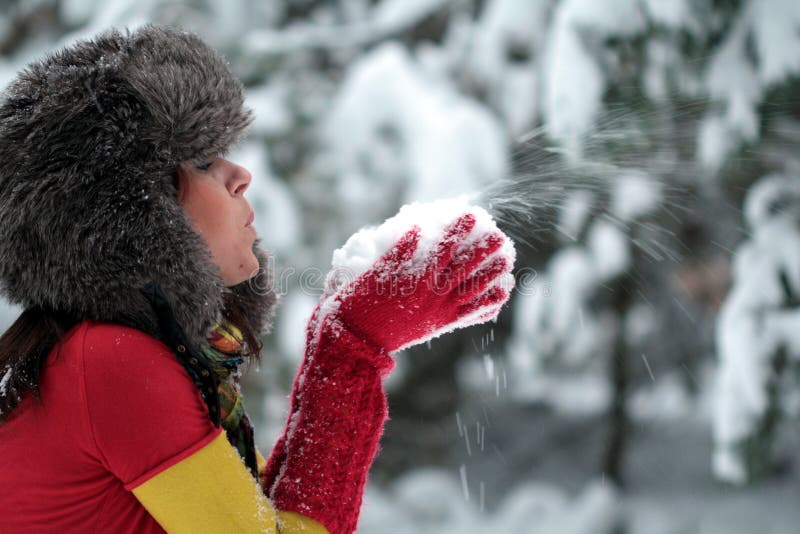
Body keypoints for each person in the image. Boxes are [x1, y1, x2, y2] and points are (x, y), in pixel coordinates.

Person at [0, 25, 513, 534]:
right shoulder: (108, 362)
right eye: (202, 159)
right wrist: (348, 348)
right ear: (134, 213)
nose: (241, 174)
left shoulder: (101, 357)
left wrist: (343, 335)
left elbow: (267, 516)